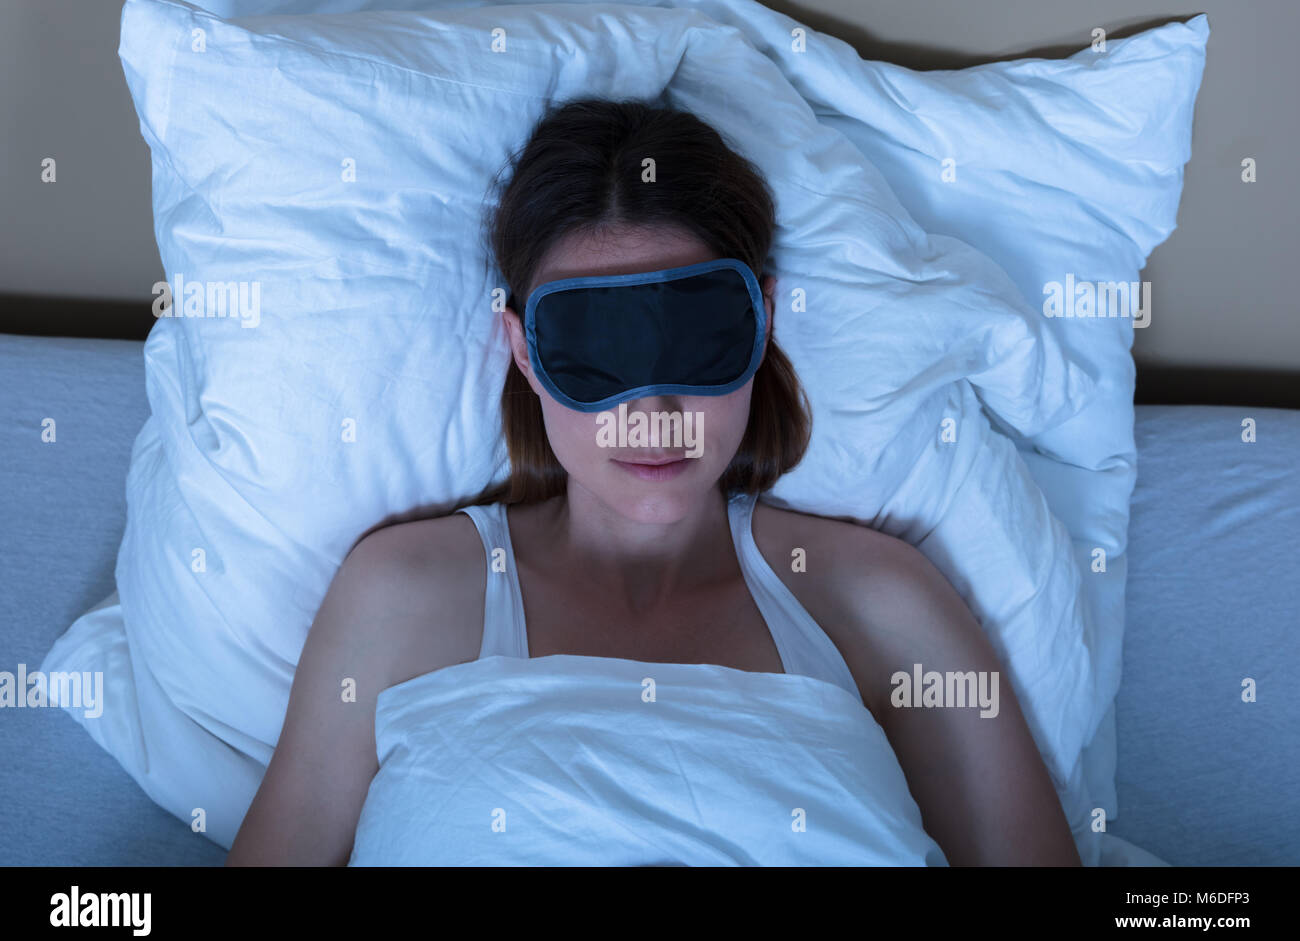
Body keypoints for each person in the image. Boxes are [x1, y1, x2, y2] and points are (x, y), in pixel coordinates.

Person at [226, 97, 1080, 867]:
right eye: (599, 350)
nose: (652, 408)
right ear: (525, 353)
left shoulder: (874, 597)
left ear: (763, 323)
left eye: (693, 339)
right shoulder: (401, 594)